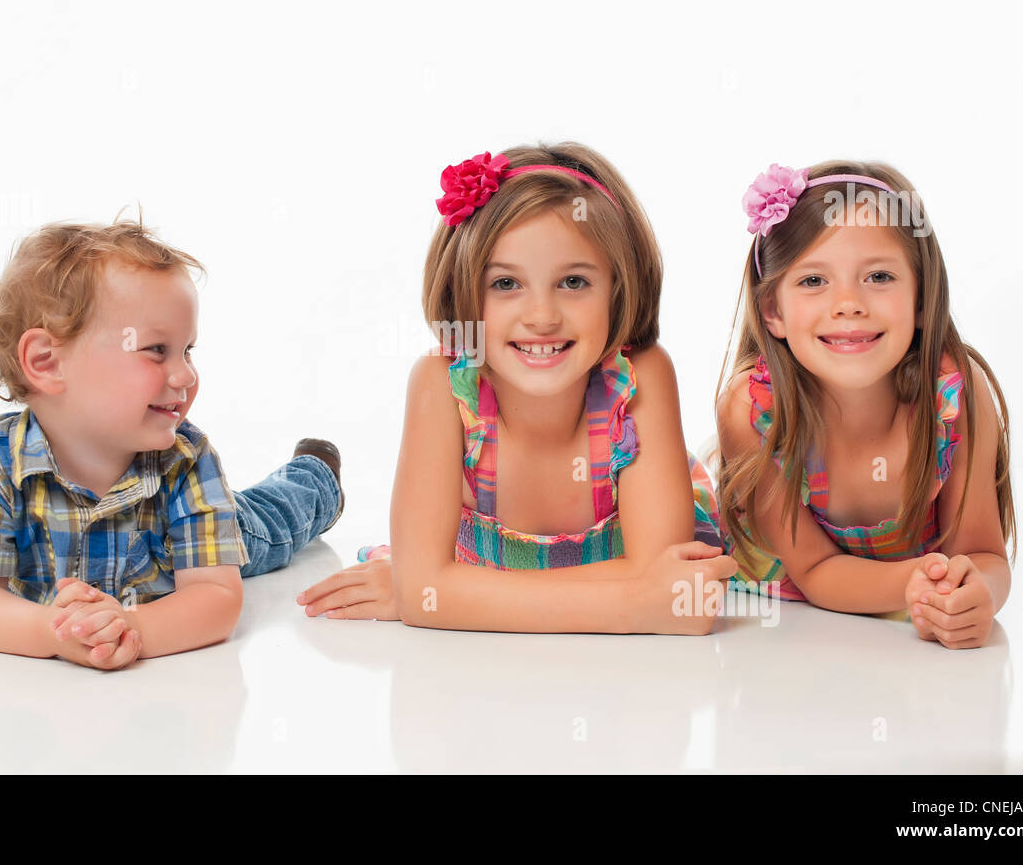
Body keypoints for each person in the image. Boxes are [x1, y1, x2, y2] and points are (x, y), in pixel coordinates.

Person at [298, 143, 735, 632]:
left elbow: (669, 584)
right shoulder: (441, 385)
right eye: (506, 284)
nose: (542, 317)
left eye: (573, 282)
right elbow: (425, 596)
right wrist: (636, 601)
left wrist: (456, 592)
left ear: (619, 287)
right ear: (462, 290)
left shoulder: (640, 376)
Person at [0, 217, 343, 668]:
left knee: (268, 525)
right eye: (156, 350)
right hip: (22, 499)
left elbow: (216, 596)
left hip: (180, 544)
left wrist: (132, 629)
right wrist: (55, 634)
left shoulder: (186, 460)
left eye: (188, 350)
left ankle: (314, 476)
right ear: (47, 362)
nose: (186, 375)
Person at [710, 162, 1015, 648]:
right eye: (813, 281)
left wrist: (977, 593)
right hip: (786, 633)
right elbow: (815, 570)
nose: (848, 303)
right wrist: (919, 583)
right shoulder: (751, 412)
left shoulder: (955, 397)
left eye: (878, 276)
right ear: (773, 312)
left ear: (921, 299)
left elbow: (984, 555)